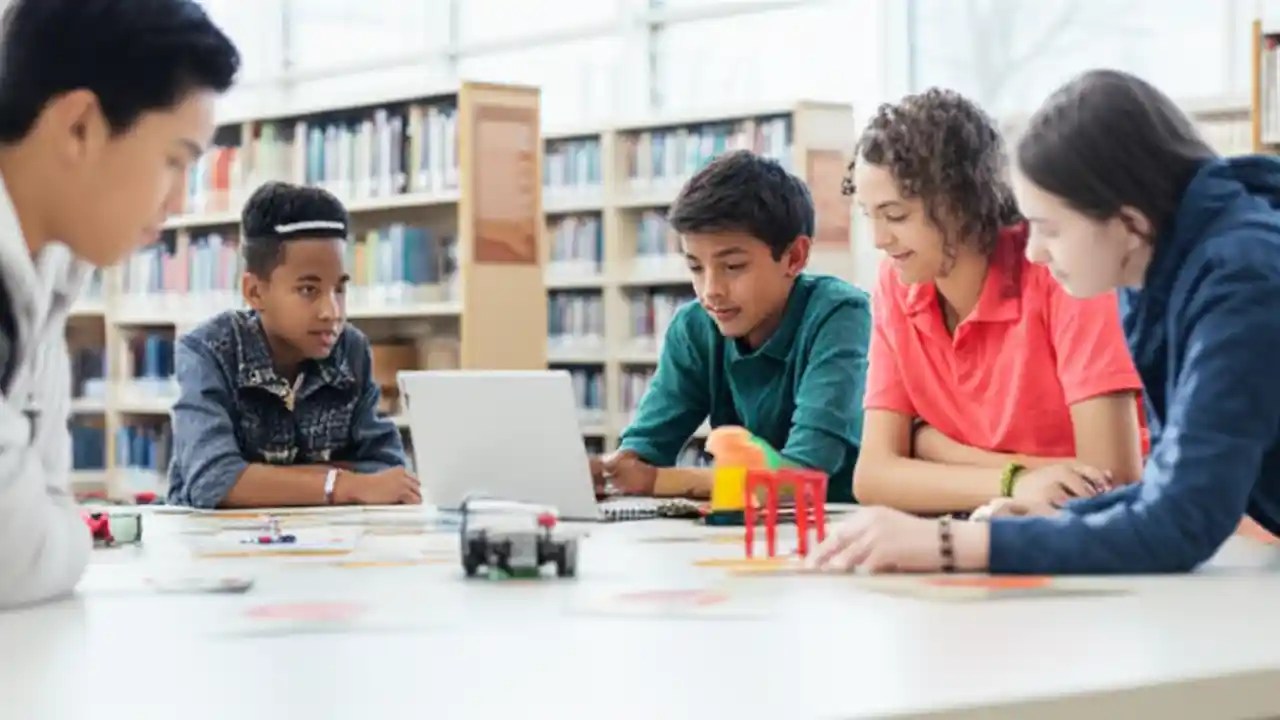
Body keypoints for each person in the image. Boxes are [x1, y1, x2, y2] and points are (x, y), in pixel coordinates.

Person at [809, 68, 1280, 575]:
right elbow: (1161, 488)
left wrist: (952, 543)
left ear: (1127, 223)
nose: (1033, 250)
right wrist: (1021, 523)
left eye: (1049, 228)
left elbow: (1179, 521)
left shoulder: (1243, 277)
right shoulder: (1159, 267)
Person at [0, 0, 239, 608]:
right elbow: (15, 550)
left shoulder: (48, 269)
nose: (178, 202)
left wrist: (54, 528)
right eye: (174, 160)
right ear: (79, 126)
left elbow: (45, 502)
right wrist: (62, 532)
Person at [845, 87, 1145, 516]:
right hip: (996, 524)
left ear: (962, 203)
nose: (879, 239)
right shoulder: (898, 282)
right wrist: (1016, 481)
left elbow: (1110, 479)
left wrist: (937, 449)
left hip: (1112, 538)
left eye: (896, 216)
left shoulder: (1060, 270)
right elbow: (873, 477)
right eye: (867, 214)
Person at [591, 149, 871, 502]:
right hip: (743, 531)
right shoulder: (695, 327)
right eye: (695, 267)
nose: (711, 291)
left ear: (794, 257)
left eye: (734, 266)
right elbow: (644, 452)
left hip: (837, 528)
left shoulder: (840, 314)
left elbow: (803, 477)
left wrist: (660, 482)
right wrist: (610, 470)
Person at [167, 181, 419, 509]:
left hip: (323, 547)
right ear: (255, 292)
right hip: (220, 552)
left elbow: (386, 471)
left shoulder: (351, 350)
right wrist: (342, 483)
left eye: (339, 289)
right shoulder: (208, 351)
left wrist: (259, 480)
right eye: (308, 290)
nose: (332, 312)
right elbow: (213, 481)